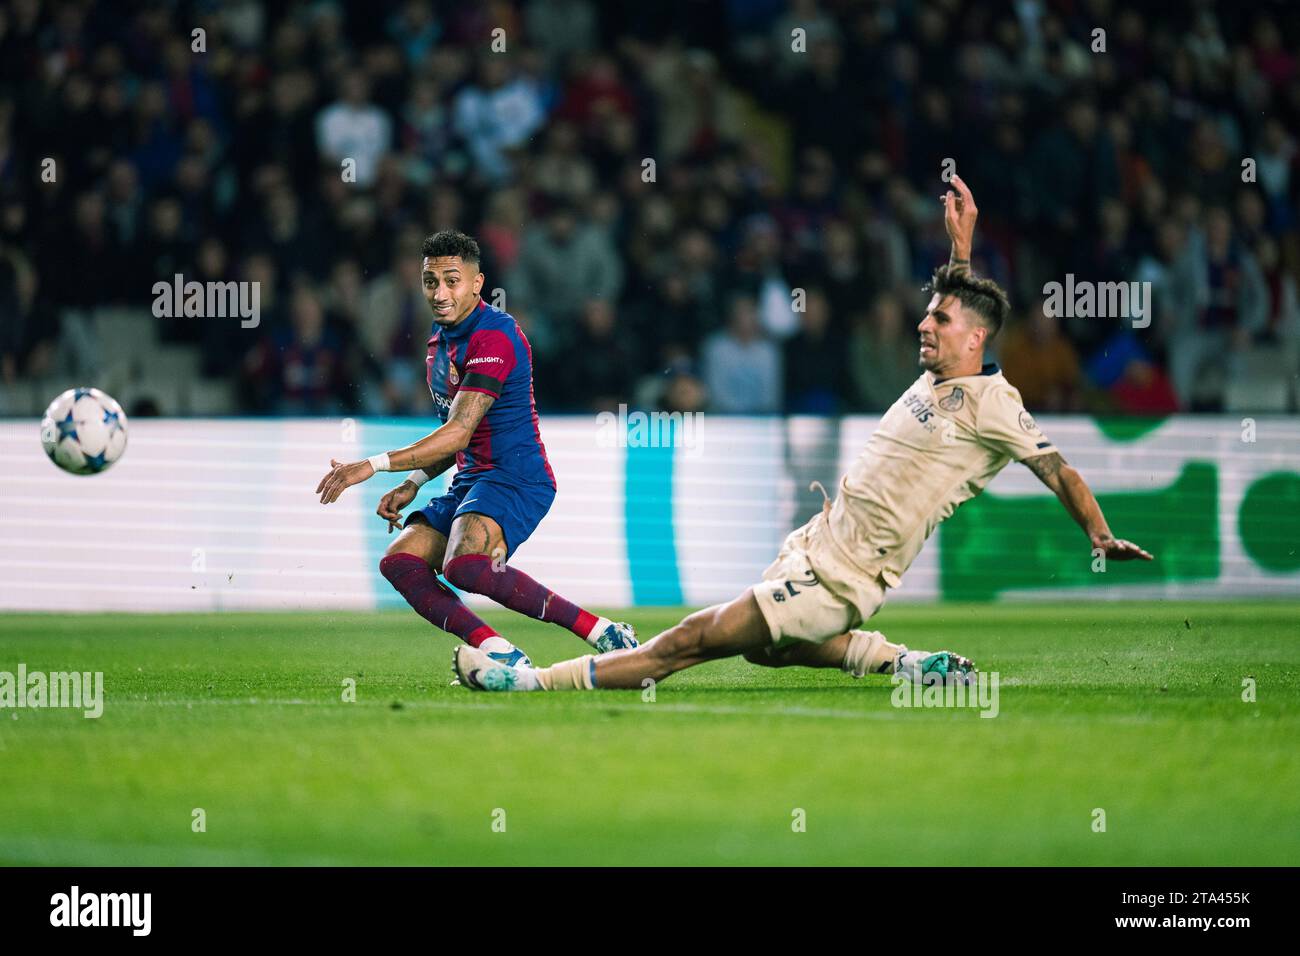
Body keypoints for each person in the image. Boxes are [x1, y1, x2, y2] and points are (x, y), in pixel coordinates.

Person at [451, 178, 1152, 693]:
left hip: (850, 573)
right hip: (816, 545)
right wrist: (960, 243)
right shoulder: (942, 369)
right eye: (928, 315)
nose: (923, 325)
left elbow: (1057, 469)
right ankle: (904, 663)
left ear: (974, 339)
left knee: (693, 642)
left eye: (938, 322)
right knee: (769, 652)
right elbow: (962, 298)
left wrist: (1095, 532)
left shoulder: (994, 403)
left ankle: (536, 683)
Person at [315, 230, 637, 667]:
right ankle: (499, 652)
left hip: (516, 476)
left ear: (477, 283)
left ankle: (603, 632)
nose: (440, 292)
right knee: (400, 562)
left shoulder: (495, 336)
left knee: (462, 566)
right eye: (431, 281)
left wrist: (372, 466)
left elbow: (458, 433)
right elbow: (452, 435)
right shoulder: (439, 343)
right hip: (471, 480)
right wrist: (414, 481)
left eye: (452, 280)